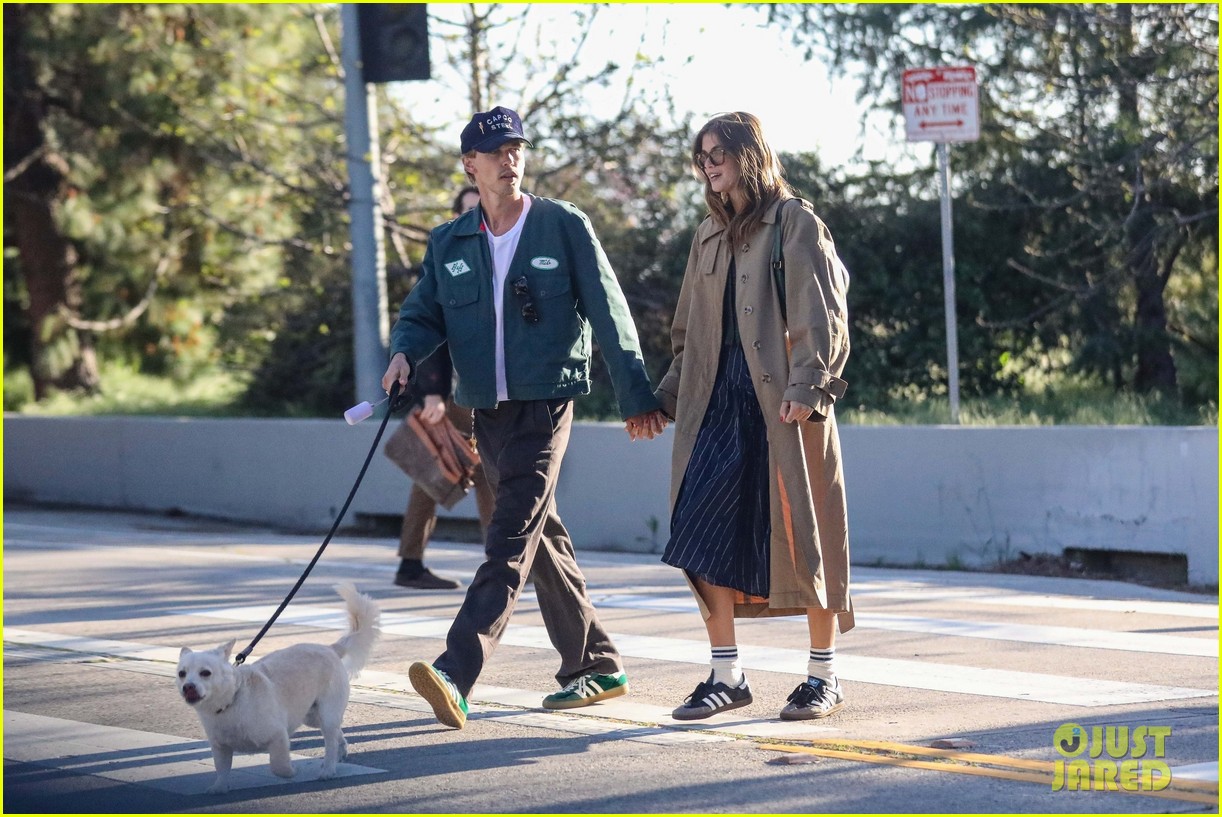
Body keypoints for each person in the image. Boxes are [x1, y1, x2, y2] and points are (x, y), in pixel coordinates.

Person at [381, 106, 668, 729]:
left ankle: (457, 672)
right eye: (495, 151)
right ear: (470, 164)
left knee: (509, 535)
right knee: (541, 535)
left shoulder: (561, 225)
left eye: (516, 148)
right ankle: (595, 664)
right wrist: (404, 351)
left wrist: (637, 395)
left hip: (545, 403)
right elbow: (423, 311)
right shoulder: (450, 240)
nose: (509, 159)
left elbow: (610, 310)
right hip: (487, 409)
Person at [654, 112, 853, 722]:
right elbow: (687, 338)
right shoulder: (706, 235)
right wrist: (659, 402)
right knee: (695, 532)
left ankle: (823, 676)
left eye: (719, 153)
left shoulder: (794, 221)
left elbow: (823, 314)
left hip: (785, 408)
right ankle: (726, 674)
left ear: (749, 154)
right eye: (702, 156)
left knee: (805, 536)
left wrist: (809, 384)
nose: (709, 164)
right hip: (715, 406)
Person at [393, 186, 495, 590]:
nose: (477, 216)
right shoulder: (449, 251)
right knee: (437, 471)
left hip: (491, 390)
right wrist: (433, 392)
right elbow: (430, 323)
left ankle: (498, 562)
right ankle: (415, 562)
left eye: (481, 208)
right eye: (468, 210)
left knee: (480, 472)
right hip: (453, 393)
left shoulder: (502, 251)